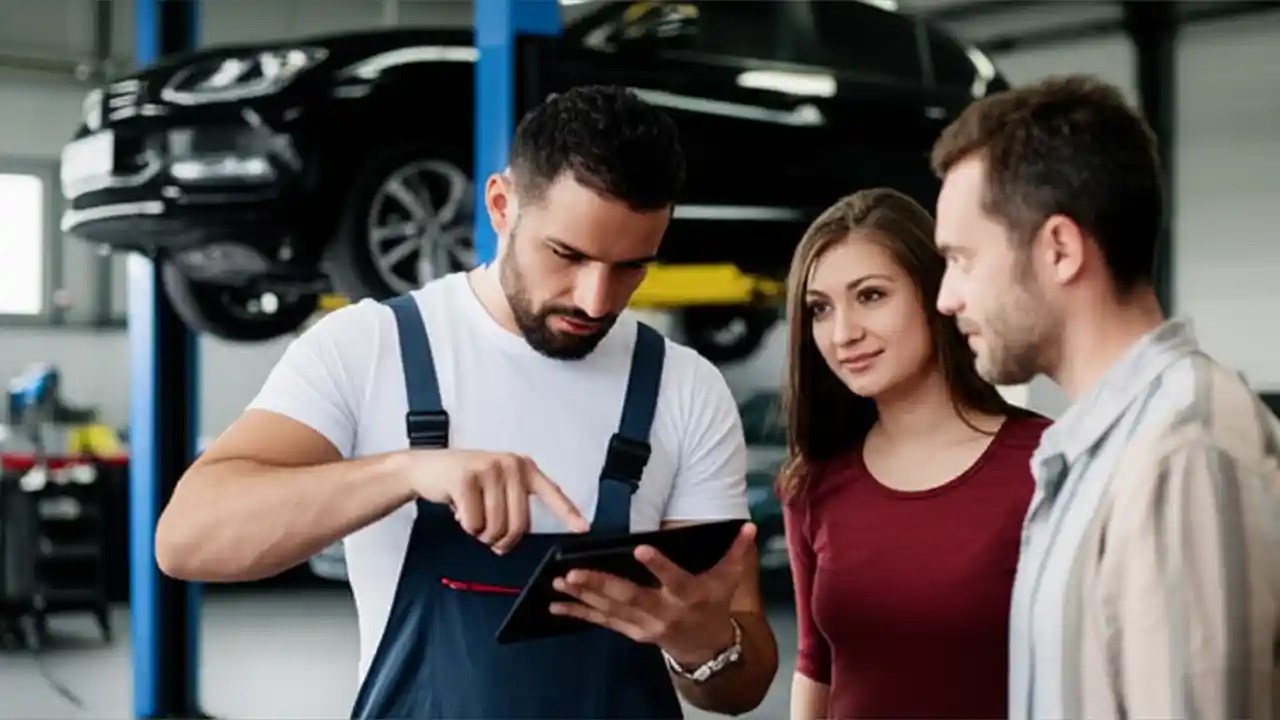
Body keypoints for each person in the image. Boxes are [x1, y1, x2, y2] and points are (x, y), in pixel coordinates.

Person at [152, 85, 779, 719]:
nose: (595, 299)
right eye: (567, 255)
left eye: (630, 267)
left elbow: (741, 684)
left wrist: (701, 645)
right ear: (502, 206)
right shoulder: (369, 348)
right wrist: (406, 471)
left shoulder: (685, 387)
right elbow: (188, 540)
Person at [931, 73, 1280, 720]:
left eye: (962, 260)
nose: (946, 298)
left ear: (1059, 249)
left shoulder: (1183, 452)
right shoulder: (1097, 448)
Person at [777, 187, 1051, 720]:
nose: (843, 333)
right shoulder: (813, 484)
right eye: (820, 309)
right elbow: (816, 664)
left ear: (935, 293)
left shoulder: (1045, 465)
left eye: (871, 295)